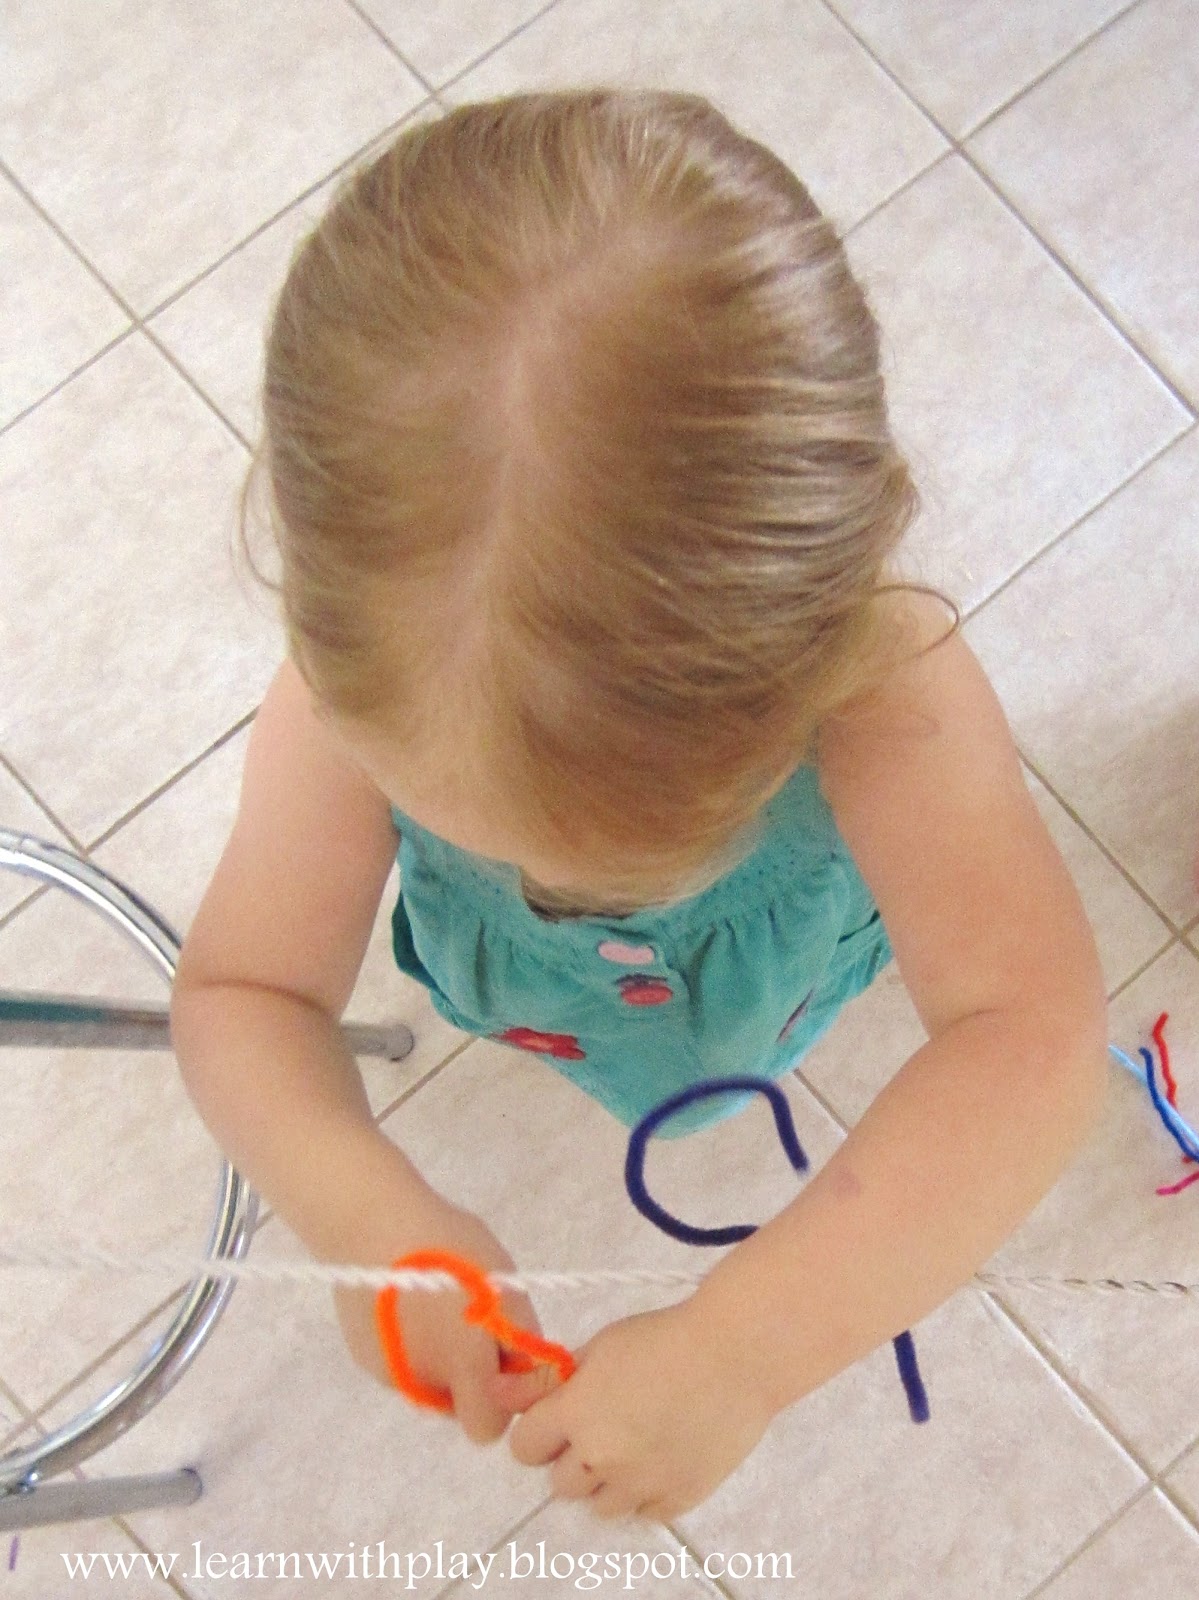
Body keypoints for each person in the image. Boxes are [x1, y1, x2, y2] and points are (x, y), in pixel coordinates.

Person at [169, 88, 1108, 1522]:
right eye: (486, 834)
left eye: (620, 853)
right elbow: (241, 992)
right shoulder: (345, 687)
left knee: (772, 1037)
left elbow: (1030, 1037)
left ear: (806, 657)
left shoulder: (888, 691)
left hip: (775, 988)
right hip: (552, 1011)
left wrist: (747, 1352)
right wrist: (360, 1208)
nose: (553, 885)